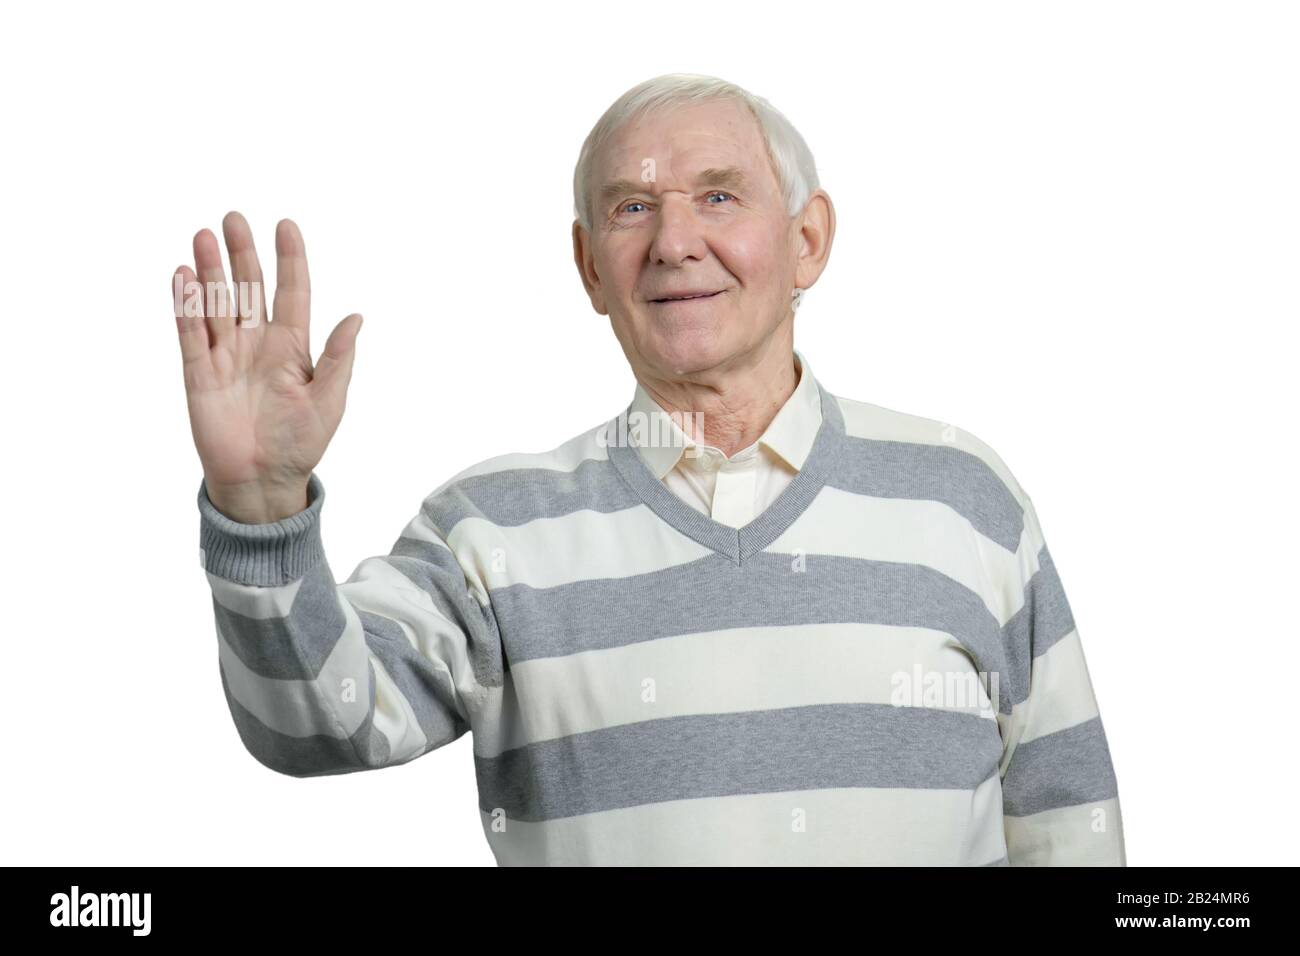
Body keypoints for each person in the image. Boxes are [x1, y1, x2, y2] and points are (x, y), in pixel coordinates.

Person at [173, 73, 1125, 866]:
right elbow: (314, 727)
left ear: (807, 240)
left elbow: (1069, 827)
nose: (674, 241)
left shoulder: (965, 501)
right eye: (633, 207)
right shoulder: (491, 533)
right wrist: (262, 509)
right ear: (590, 267)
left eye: (718, 194)